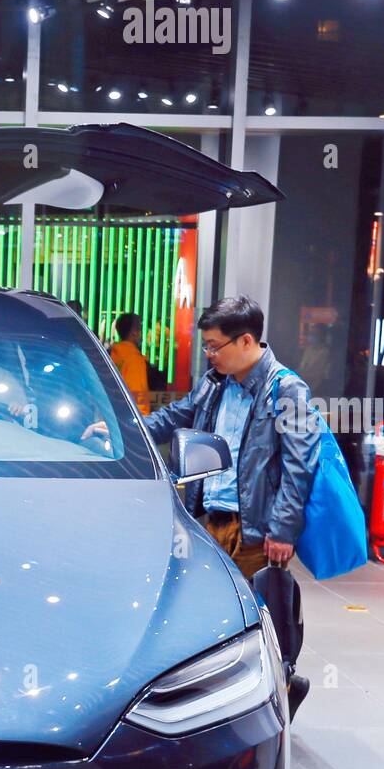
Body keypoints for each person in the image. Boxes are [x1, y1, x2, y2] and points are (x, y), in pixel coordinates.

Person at [145, 296, 319, 718]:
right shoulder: (214, 383)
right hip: (208, 522)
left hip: (256, 529)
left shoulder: (286, 389)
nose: (209, 354)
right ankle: (214, 709)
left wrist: (283, 530)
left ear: (246, 340)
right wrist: (127, 431)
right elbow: (177, 415)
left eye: (214, 346)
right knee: (211, 623)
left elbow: (300, 464)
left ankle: (278, 692)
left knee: (260, 625)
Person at [110, 312, 152, 415]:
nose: (142, 334)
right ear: (134, 332)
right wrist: (143, 421)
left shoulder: (113, 354)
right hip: (131, 419)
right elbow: (138, 396)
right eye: (140, 329)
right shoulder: (134, 359)